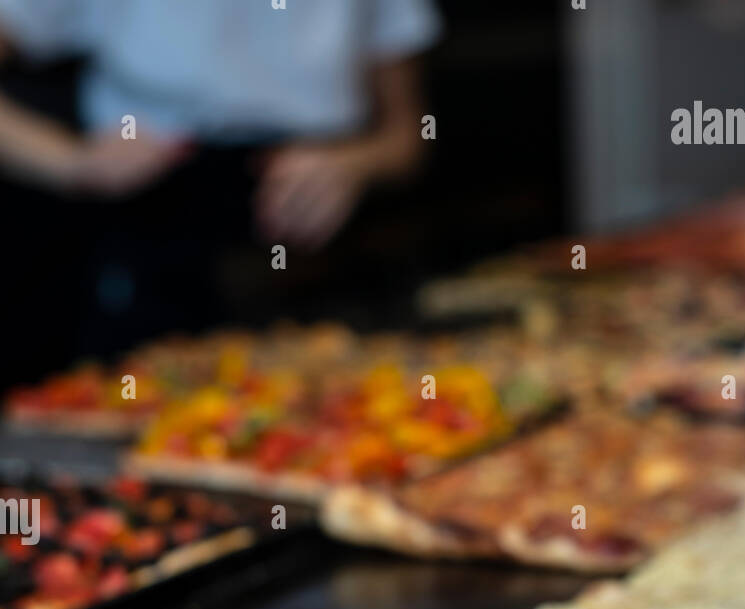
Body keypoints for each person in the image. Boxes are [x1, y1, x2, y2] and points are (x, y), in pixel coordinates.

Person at [0, 0, 441, 359]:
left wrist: (356, 163)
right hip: (155, 220)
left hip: (319, 229)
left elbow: (412, 134)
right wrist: (69, 161)